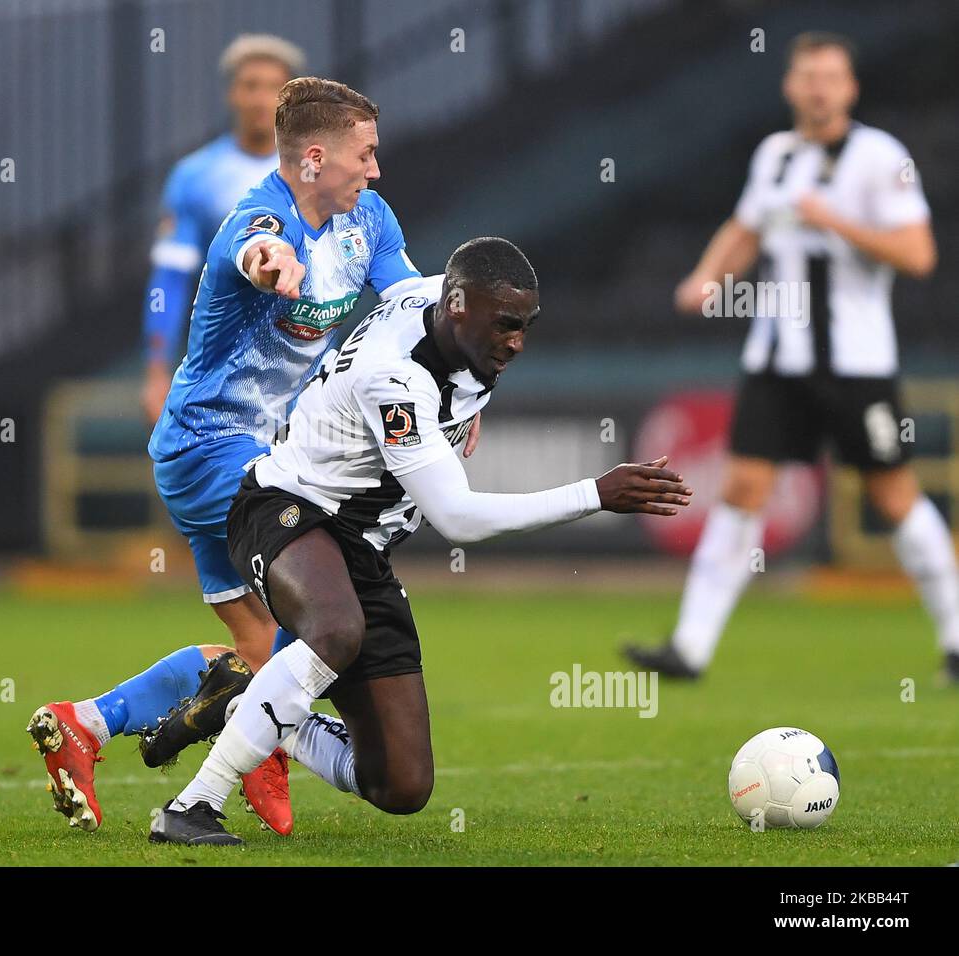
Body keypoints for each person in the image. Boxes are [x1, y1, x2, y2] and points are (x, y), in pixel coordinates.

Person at [146, 237, 693, 845]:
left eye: (526, 325)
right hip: (285, 506)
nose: (517, 341)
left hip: (361, 545)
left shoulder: (444, 305)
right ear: (458, 306)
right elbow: (457, 518)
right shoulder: (397, 378)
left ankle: (253, 708)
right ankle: (192, 806)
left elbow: (417, 289)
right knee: (336, 632)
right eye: (505, 325)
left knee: (401, 786)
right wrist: (595, 493)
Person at [29, 76, 430, 835]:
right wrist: (272, 265)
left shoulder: (367, 218)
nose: (376, 169)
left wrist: (447, 386)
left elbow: (411, 305)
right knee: (330, 611)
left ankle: (85, 722)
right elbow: (255, 249)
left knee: (258, 652)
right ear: (316, 158)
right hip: (217, 453)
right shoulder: (257, 220)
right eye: (365, 154)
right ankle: (219, 766)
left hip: (246, 459)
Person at [622, 32, 956, 682]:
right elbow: (745, 227)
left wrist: (835, 221)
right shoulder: (775, 155)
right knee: (743, 489)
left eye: (830, 76)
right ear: (790, 86)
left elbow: (919, 254)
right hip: (777, 359)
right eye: (807, 76)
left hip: (856, 364)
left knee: (892, 495)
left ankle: (956, 639)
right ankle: (690, 648)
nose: (818, 88)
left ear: (851, 87)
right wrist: (707, 276)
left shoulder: (880, 157)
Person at [140, 35, 307, 424]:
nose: (261, 99)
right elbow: (169, 278)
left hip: (303, 366)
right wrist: (155, 369)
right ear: (233, 94)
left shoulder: (314, 175)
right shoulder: (196, 177)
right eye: (251, 86)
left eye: (274, 89)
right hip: (221, 366)